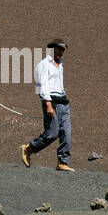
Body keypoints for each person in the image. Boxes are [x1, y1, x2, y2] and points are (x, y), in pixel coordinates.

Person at [22, 39, 73, 171]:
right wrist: (48, 104)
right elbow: (42, 85)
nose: (61, 52)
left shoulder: (60, 65)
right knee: (52, 133)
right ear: (52, 49)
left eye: (62, 49)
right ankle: (29, 148)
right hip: (52, 101)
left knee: (66, 133)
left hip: (63, 102)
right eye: (59, 49)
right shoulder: (44, 64)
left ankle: (62, 162)